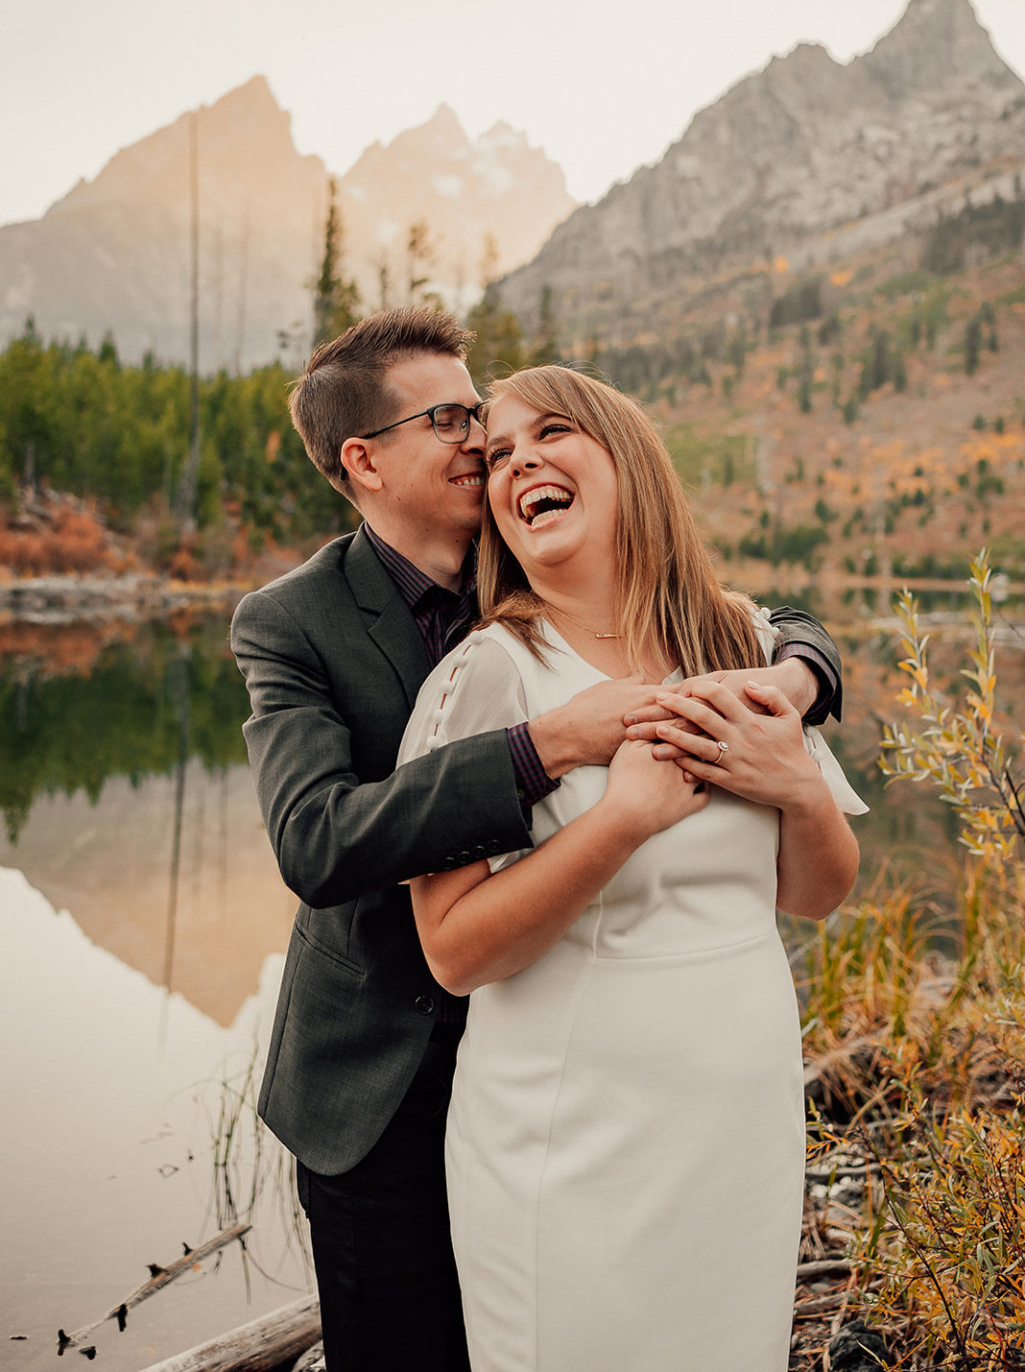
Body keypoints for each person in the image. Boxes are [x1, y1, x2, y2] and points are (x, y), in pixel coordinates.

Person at [230, 308, 844, 1372]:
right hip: (383, 1076)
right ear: (364, 460)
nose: (486, 444)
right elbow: (314, 841)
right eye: (456, 420)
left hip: (612, 1065)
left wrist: (800, 676)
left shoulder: (532, 553)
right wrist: (548, 746)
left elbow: (750, 612)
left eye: (497, 421)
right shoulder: (296, 622)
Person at [399, 364, 867, 1372]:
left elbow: (815, 890)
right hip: (570, 1140)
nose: (519, 462)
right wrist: (620, 822)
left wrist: (793, 783)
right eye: (500, 458)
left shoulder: (735, 642)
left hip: (736, 1122)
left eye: (551, 434)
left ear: (627, 463)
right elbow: (452, 950)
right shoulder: (493, 672)